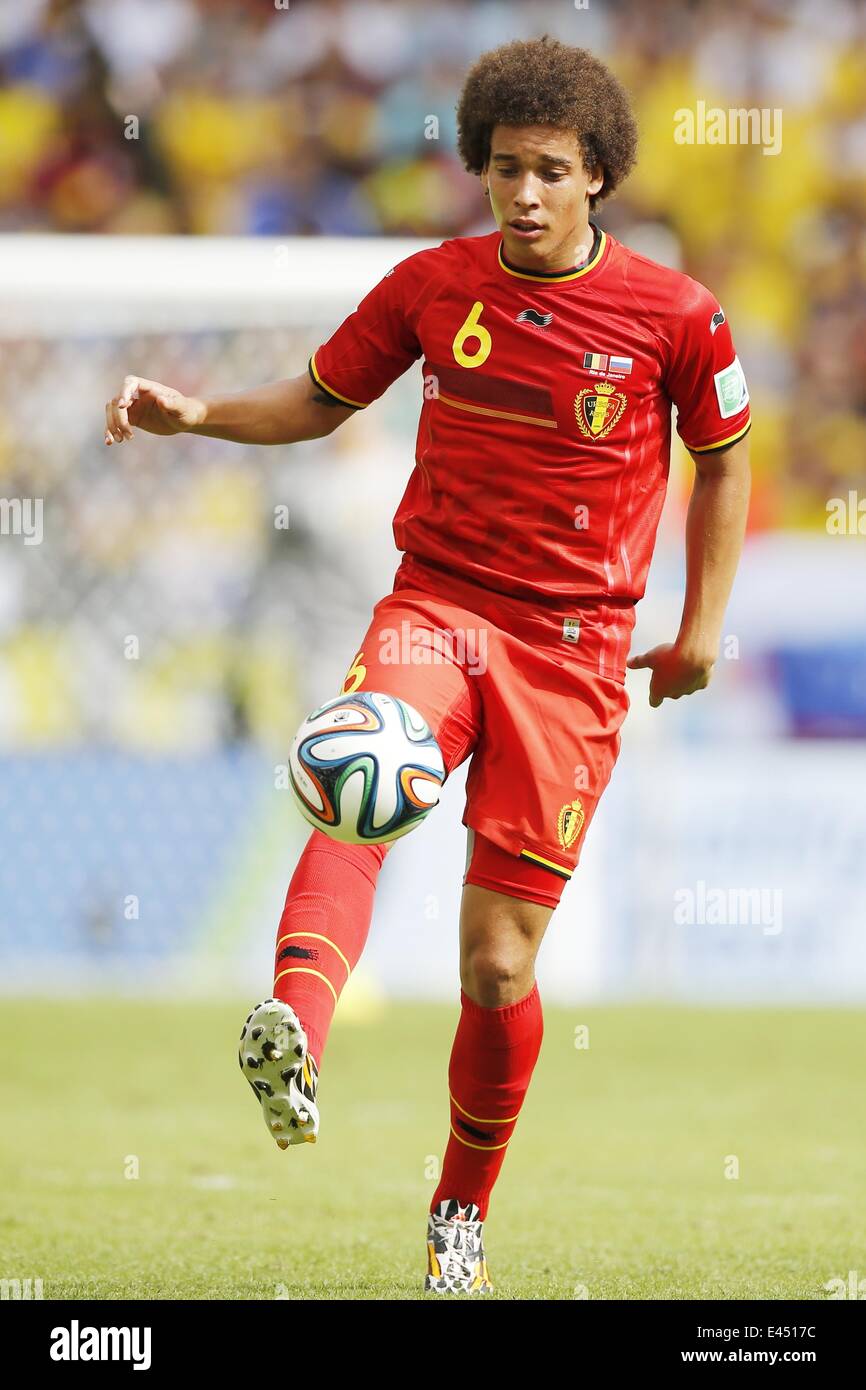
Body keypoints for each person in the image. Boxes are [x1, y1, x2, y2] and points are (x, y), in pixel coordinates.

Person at [104, 36, 751, 1296]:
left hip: (571, 656)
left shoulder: (675, 316)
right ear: (478, 168)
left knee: (497, 966)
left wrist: (700, 626)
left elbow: (723, 454)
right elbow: (318, 397)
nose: (521, 193)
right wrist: (197, 413)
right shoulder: (431, 287)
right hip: (438, 605)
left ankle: (458, 1208)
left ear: (597, 177)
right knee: (360, 767)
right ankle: (297, 1017)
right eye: (503, 168)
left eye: (549, 171)